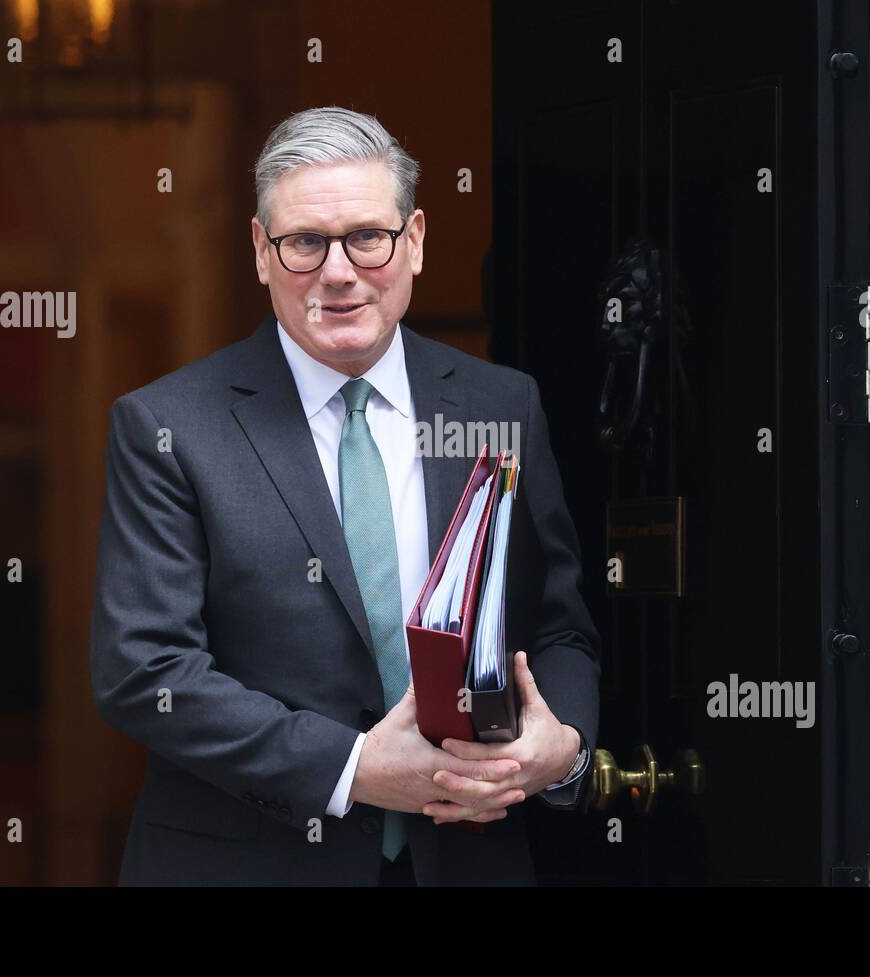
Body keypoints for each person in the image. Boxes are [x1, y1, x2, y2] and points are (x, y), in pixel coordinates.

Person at [90, 106, 600, 885]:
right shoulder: (169, 426)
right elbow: (145, 670)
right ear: (262, 253)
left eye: (368, 236)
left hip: (467, 861)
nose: (338, 271)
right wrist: (355, 766)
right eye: (304, 243)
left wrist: (560, 743)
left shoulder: (503, 406)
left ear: (416, 240)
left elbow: (559, 627)